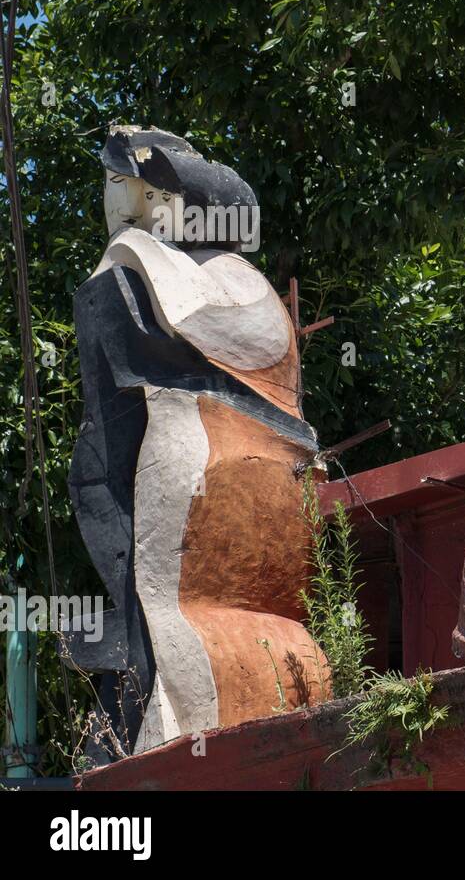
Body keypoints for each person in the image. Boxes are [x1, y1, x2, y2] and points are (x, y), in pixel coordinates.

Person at [69, 126, 324, 754]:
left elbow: (104, 451)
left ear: (133, 191)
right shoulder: (249, 288)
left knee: (154, 643)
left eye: (110, 183)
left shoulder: (128, 267)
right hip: (268, 506)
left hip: (181, 495)